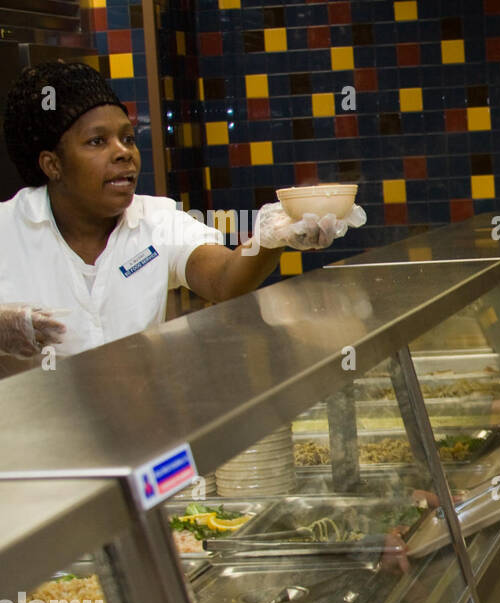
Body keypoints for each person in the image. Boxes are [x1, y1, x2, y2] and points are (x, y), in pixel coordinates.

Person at [0, 61, 364, 371]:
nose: (124, 153)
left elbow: (223, 280)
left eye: (127, 138)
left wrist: (270, 239)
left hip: (134, 433)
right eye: (98, 141)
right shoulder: (7, 230)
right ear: (52, 164)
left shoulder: (156, 220)